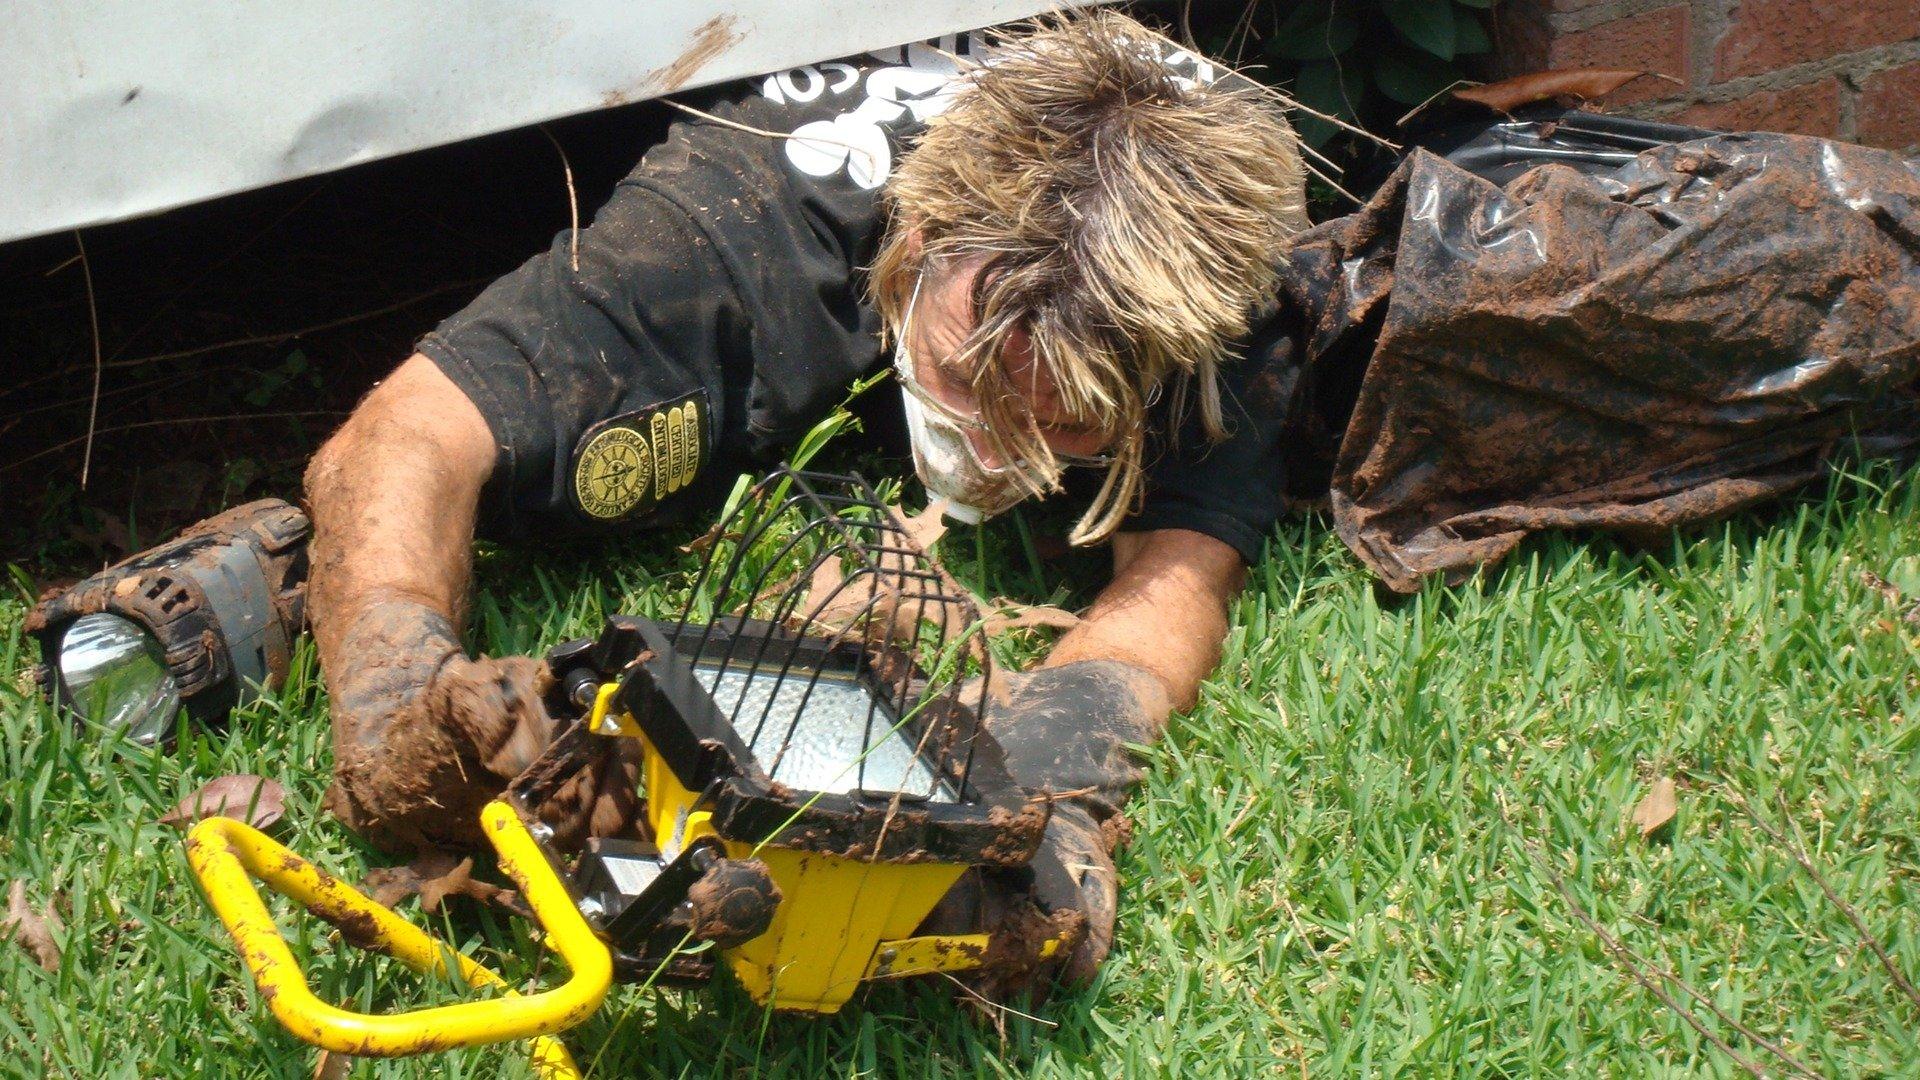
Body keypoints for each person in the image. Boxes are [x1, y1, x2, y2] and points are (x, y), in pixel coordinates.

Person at [300, 10, 1308, 990]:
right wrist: (403, 712)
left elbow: (1182, 579)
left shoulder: (1213, 296)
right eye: (974, 382)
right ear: (916, 244)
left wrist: (1042, 800)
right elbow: (405, 434)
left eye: (1068, 421)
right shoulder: (751, 223)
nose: (1001, 451)